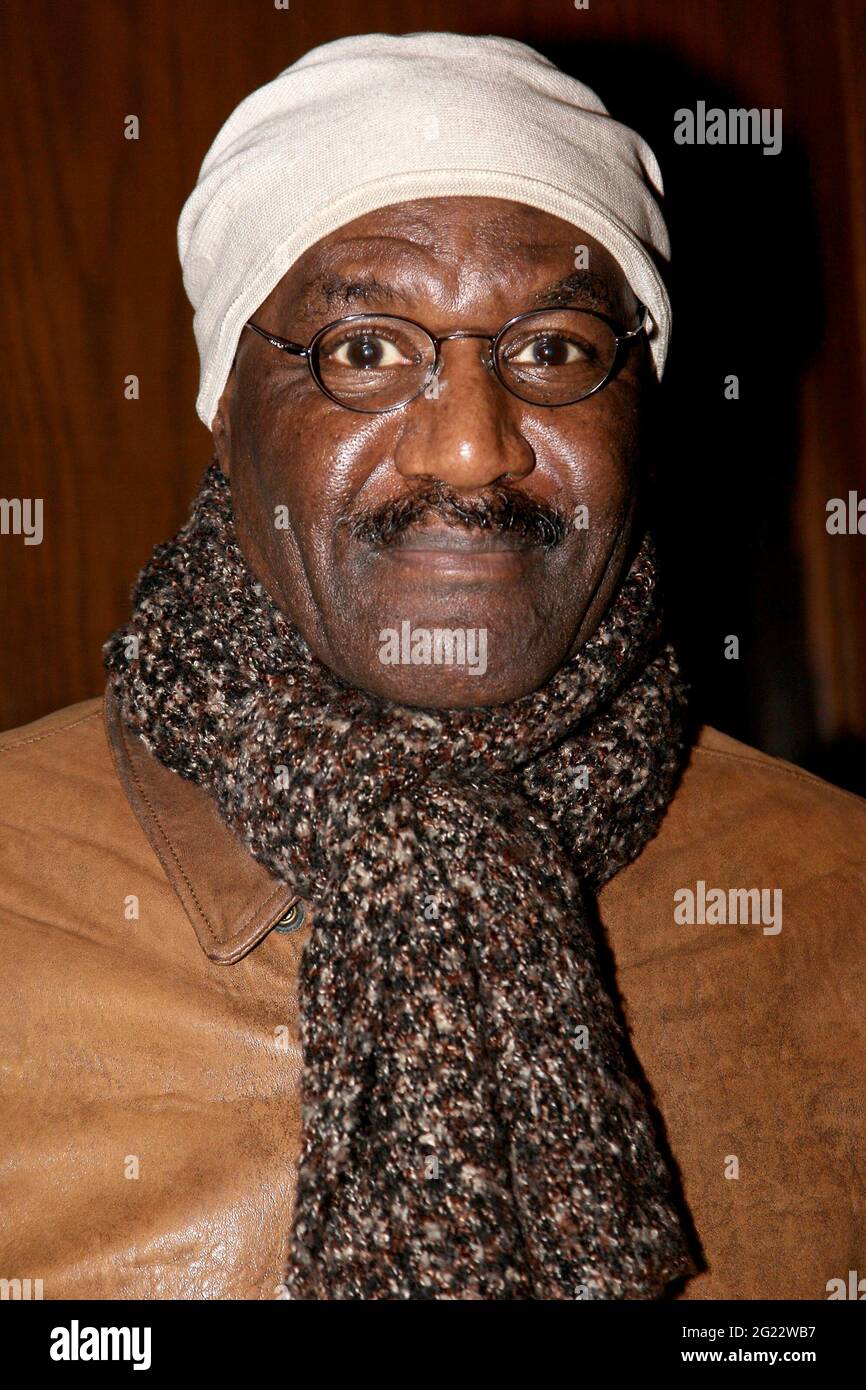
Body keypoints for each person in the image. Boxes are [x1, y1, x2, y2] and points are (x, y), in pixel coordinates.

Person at [1, 31, 864, 1302]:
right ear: (225, 408)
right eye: (364, 350)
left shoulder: (836, 908)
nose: (470, 449)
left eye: (554, 349)